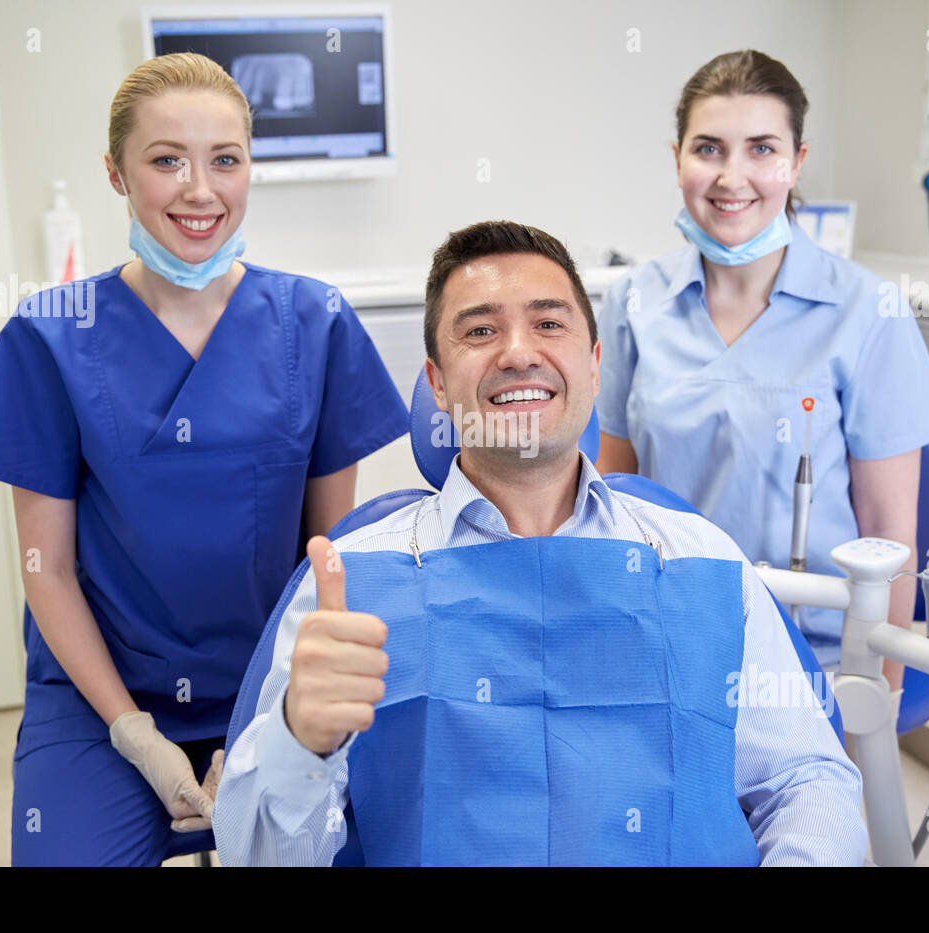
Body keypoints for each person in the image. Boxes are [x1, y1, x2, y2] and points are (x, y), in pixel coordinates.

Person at [213, 221, 868, 866]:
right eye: (480, 330)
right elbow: (261, 858)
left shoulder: (704, 562)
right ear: (438, 385)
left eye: (549, 324)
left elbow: (807, 781)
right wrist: (302, 745)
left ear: (593, 364)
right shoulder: (348, 585)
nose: (518, 352)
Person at [0, 53, 408, 865]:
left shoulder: (315, 321)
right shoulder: (52, 334)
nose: (201, 190)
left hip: (272, 678)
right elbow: (45, 568)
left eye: (225, 160)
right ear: (116, 173)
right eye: (167, 161)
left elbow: (328, 564)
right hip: (99, 694)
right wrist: (135, 735)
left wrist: (278, 718)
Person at [594, 51, 929, 690]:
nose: (733, 176)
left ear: (797, 162)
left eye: (762, 149)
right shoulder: (634, 302)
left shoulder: (868, 311)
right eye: (709, 149)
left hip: (818, 652)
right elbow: (619, 490)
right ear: (677, 158)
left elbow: (889, 532)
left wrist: (879, 691)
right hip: (668, 634)